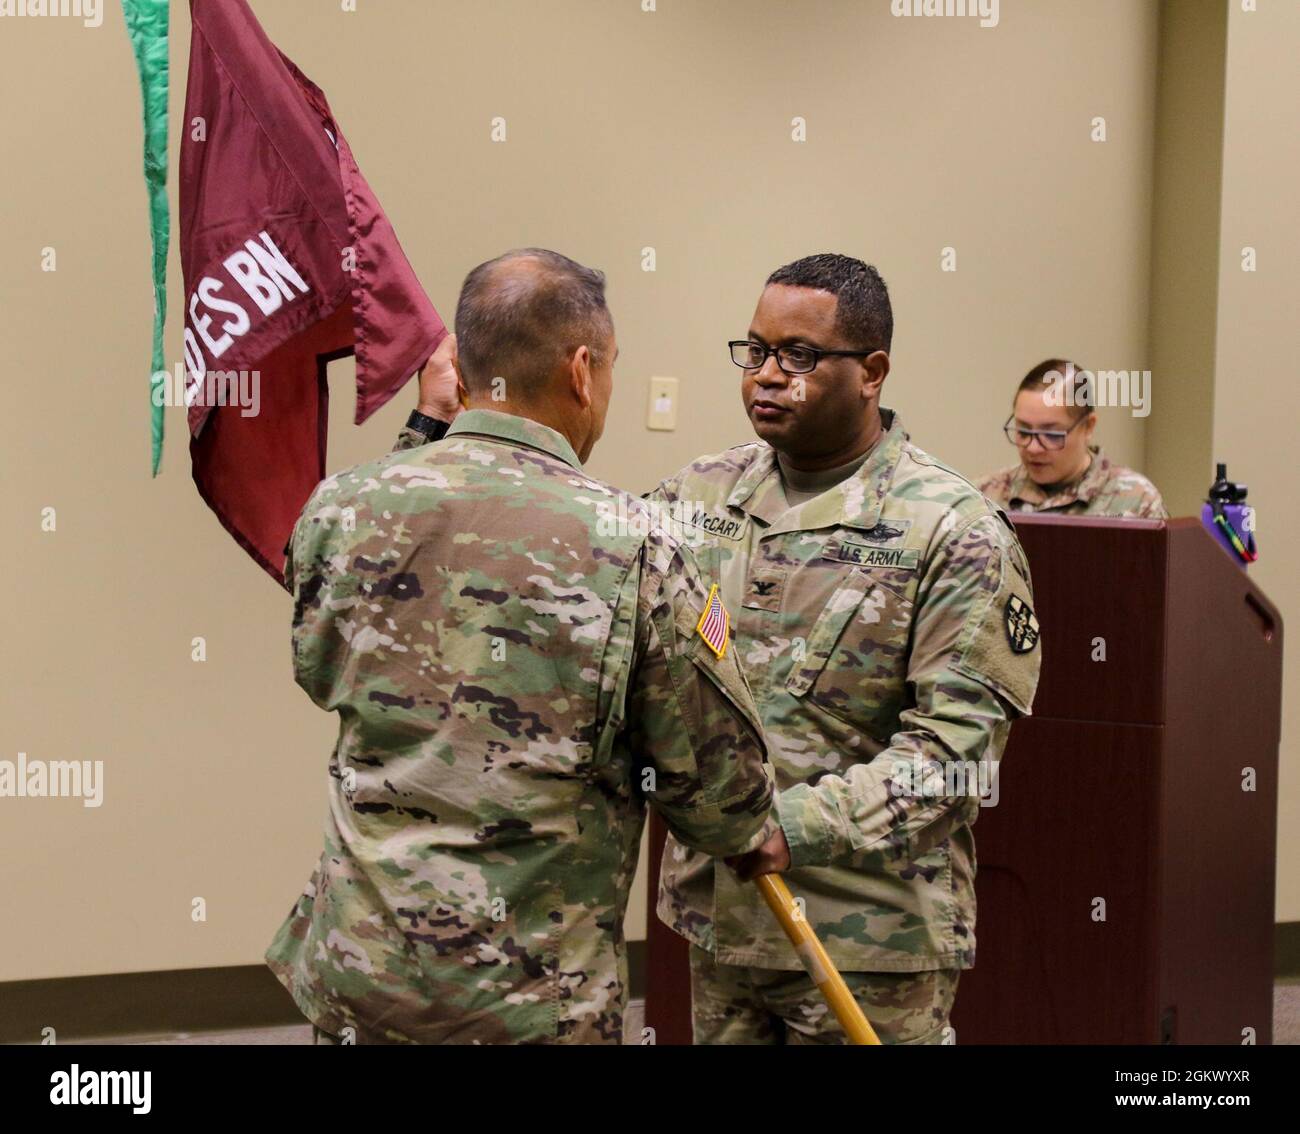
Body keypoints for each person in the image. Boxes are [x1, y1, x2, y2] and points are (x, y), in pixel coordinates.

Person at [266, 248, 773, 1045]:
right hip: (530, 998)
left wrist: (429, 424)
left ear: (461, 372)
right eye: (608, 371)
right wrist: (757, 833)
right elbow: (714, 792)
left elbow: (320, 660)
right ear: (581, 370)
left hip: (362, 975)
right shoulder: (642, 546)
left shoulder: (343, 507)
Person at [646, 253, 1043, 1044]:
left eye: (798, 356)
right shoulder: (697, 496)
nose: (766, 375)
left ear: (872, 371)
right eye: (754, 351)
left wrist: (788, 826)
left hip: (872, 941)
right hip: (720, 923)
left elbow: (954, 755)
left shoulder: (953, 531)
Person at [979, 359, 1167, 517]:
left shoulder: (1136, 501)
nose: (1033, 448)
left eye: (1051, 435)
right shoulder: (985, 497)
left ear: (1088, 426)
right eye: (1023, 432)